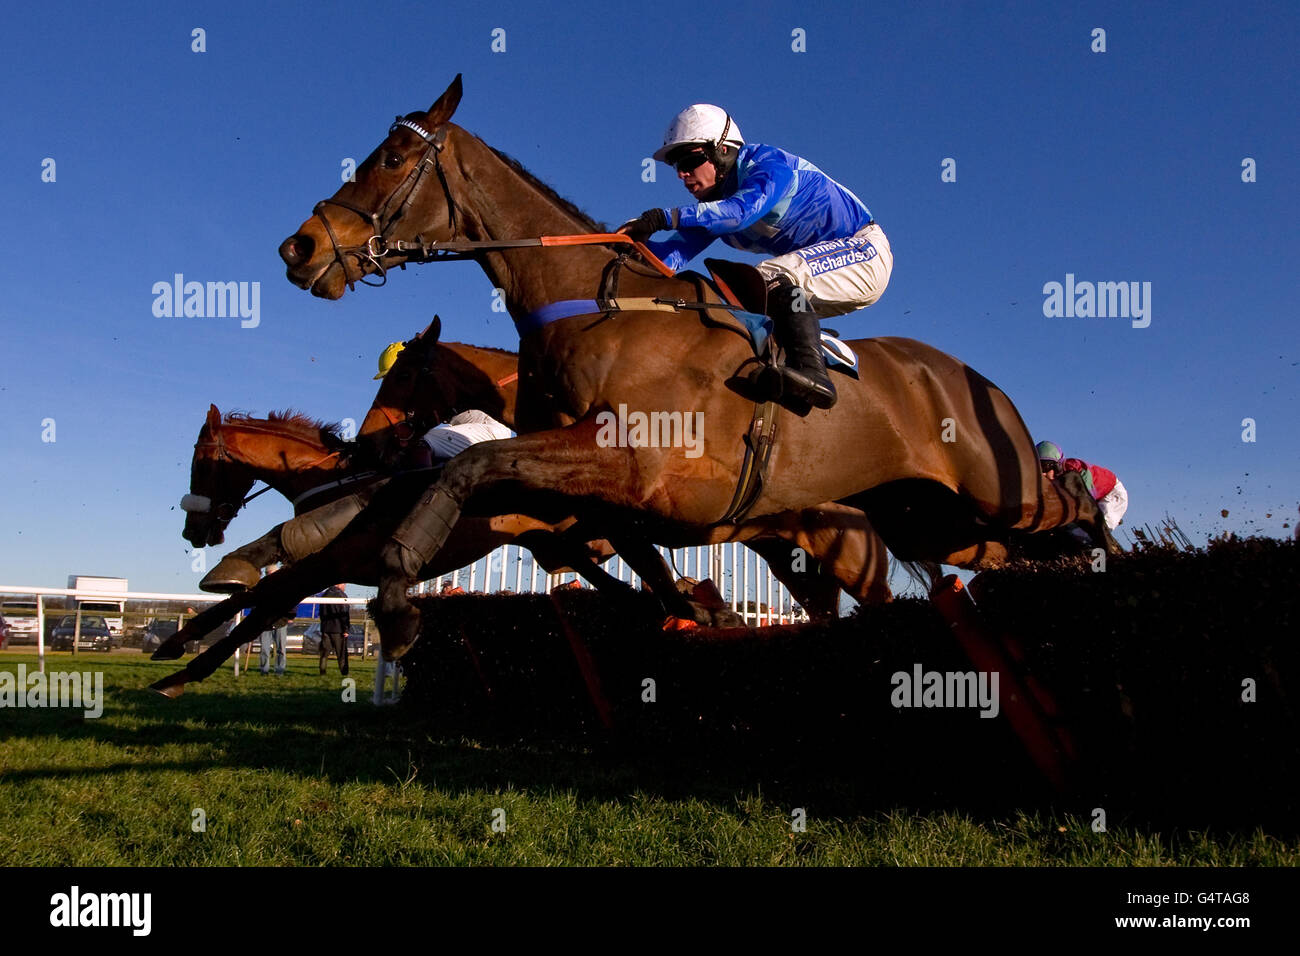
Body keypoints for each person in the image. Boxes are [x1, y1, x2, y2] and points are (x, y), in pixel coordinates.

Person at [617, 104, 893, 410]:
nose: (682, 174)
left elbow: (739, 213)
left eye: (690, 160)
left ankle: (814, 376)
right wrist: (623, 250)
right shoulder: (714, 205)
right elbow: (667, 260)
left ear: (722, 151)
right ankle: (800, 363)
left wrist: (661, 218)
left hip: (865, 252)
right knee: (741, 299)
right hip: (816, 270)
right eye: (676, 166)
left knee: (768, 277)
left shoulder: (768, 165)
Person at [1036, 441, 1129, 530]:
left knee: (1093, 530)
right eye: (1039, 468)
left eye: (1045, 466)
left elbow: (1087, 500)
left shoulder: (1075, 468)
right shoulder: (1054, 480)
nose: (1042, 473)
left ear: (1057, 465)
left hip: (1112, 494)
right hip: (1093, 499)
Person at [259, 563, 289, 675]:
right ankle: (264, 670)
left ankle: (280, 671)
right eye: (268, 574)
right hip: (265, 623)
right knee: (264, 649)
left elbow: (291, 602)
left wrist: (290, 616)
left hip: (280, 622)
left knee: (281, 649)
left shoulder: (284, 586)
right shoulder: (261, 586)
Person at [318, 583, 350, 676]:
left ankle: (322, 671)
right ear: (340, 584)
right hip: (338, 629)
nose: (345, 587)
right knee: (341, 653)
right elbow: (344, 614)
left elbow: (321, 612)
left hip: (325, 628)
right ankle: (344, 672)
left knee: (324, 653)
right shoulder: (341, 595)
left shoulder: (324, 595)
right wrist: (346, 628)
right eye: (344, 584)